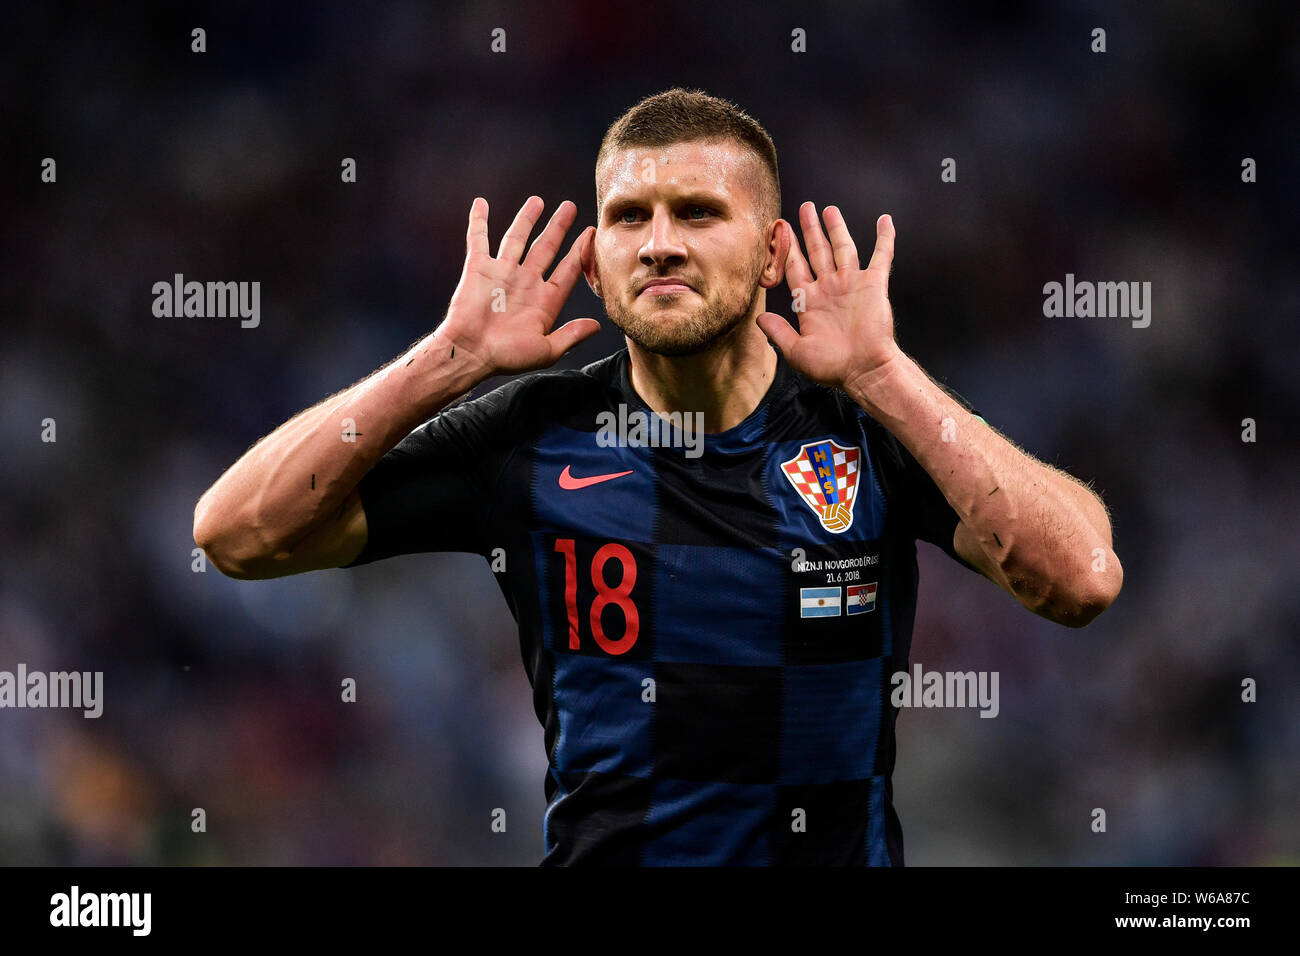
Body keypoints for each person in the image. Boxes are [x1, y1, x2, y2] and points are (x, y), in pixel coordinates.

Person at [193, 88, 1122, 865]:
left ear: (771, 256)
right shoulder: (529, 437)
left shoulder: (864, 434)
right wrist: (450, 357)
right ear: (593, 263)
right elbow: (236, 535)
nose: (659, 243)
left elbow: (1080, 579)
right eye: (629, 217)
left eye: (699, 213)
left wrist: (885, 376)